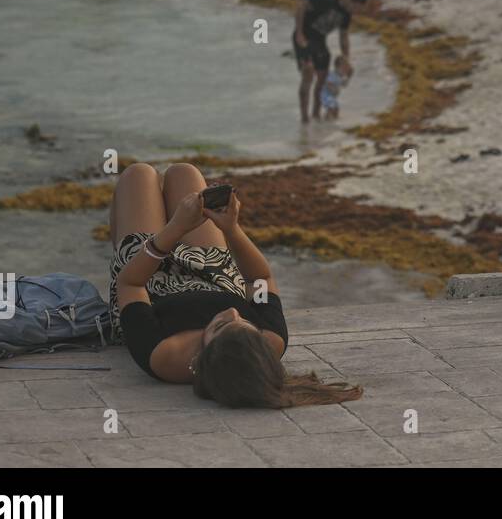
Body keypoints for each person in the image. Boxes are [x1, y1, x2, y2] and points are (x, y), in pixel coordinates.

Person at [106, 161, 362, 405]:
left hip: (148, 281)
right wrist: (231, 229)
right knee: (184, 172)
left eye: (221, 326)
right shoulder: (270, 340)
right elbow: (259, 279)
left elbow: (130, 284)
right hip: (213, 276)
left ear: (203, 355)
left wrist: (175, 229)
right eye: (246, 323)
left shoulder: (163, 355)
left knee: (138, 175)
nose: (233, 312)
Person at [293, 0, 368, 123]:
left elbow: (343, 37)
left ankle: (316, 115)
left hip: (320, 41)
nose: (355, 11)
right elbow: (301, 6)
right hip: (304, 36)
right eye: (356, 7)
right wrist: (299, 33)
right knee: (308, 72)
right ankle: (304, 118)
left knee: (322, 79)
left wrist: (346, 59)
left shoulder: (346, 15)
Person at [320, 55, 352, 120]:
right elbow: (328, 83)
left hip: (332, 96)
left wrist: (348, 77)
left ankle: (334, 120)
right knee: (331, 108)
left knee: (336, 109)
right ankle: (327, 119)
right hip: (326, 95)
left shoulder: (340, 76)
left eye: (346, 68)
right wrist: (333, 90)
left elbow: (344, 85)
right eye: (344, 68)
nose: (345, 71)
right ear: (337, 67)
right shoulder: (333, 74)